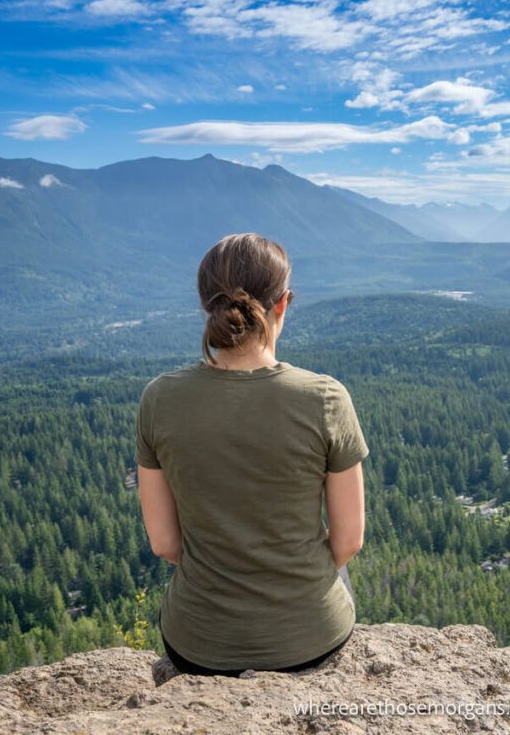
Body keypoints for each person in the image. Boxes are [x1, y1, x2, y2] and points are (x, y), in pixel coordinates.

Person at [134, 232, 368, 676]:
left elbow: (164, 543)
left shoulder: (159, 398)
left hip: (198, 644)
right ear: (283, 304)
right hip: (309, 640)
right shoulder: (325, 398)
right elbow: (348, 541)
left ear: (208, 307)